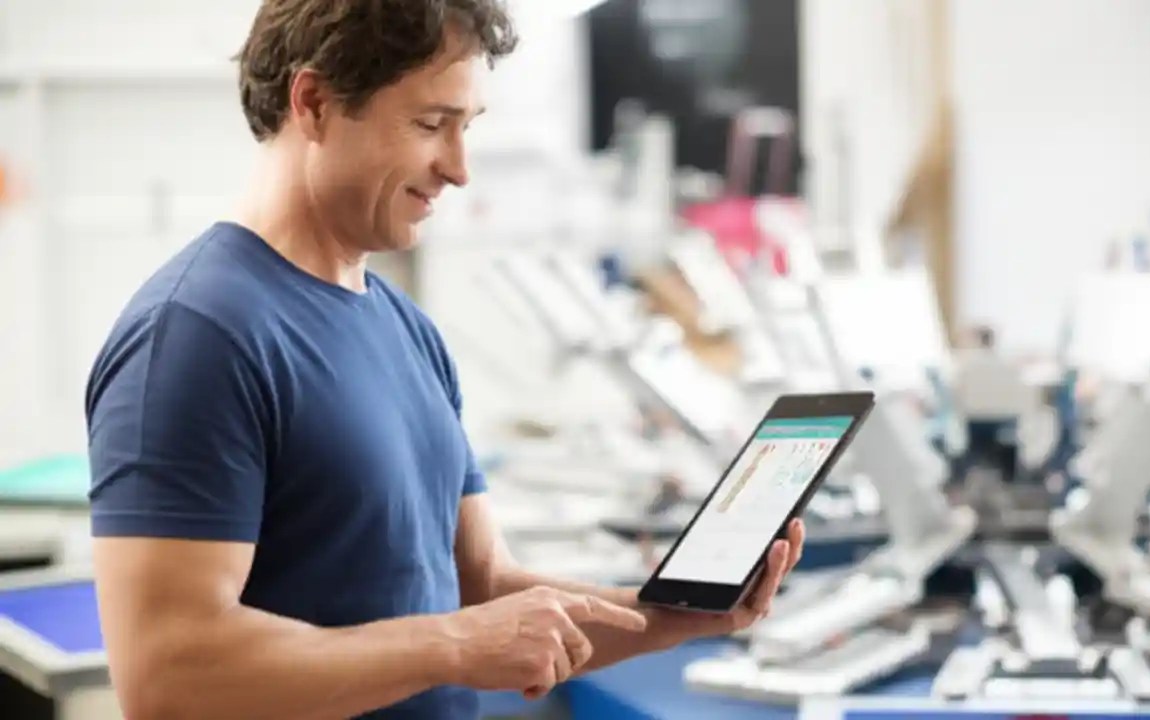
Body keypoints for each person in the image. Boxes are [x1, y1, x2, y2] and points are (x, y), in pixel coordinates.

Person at [84, 2, 805, 719]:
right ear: (315, 104)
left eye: (467, 128)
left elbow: (479, 587)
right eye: (431, 125)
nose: (459, 170)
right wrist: (453, 646)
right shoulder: (195, 335)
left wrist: (669, 617)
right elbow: (167, 677)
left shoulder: (406, 329)